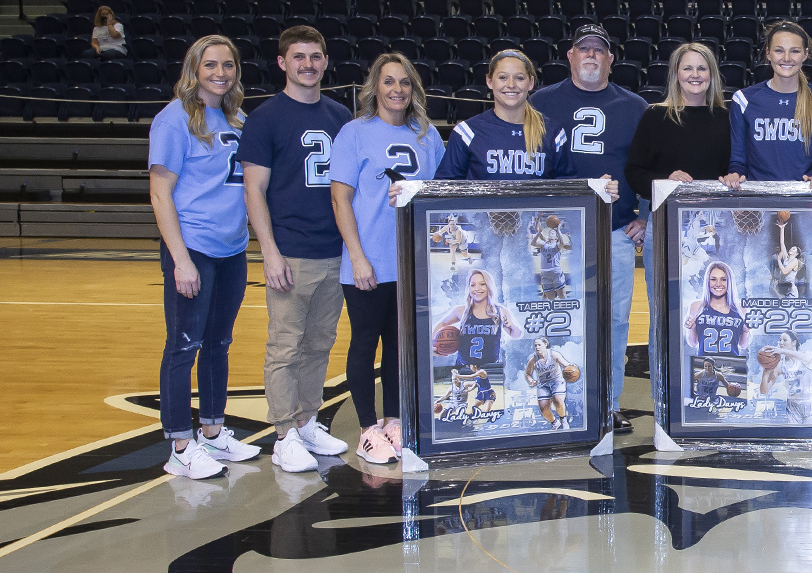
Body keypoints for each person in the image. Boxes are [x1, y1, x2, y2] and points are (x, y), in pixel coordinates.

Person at [238, 26, 354, 474]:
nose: (308, 64)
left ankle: (307, 419)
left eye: (316, 56)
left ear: (326, 62)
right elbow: (254, 191)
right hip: (291, 251)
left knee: (320, 343)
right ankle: (283, 432)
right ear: (283, 62)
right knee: (285, 346)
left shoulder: (340, 115)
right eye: (299, 56)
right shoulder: (265, 118)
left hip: (335, 251)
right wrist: (269, 252)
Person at [147, 35, 260, 479]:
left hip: (232, 249)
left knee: (219, 344)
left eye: (227, 65)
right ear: (194, 69)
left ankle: (213, 432)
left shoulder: (237, 118)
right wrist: (181, 259)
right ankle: (179, 444)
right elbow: (159, 193)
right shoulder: (174, 120)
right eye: (210, 65)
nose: (220, 73)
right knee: (183, 346)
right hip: (193, 246)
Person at [531, 24, 649, 429]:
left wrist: (645, 214)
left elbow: (649, 165)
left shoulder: (635, 106)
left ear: (611, 59)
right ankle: (550, 401)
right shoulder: (539, 102)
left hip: (614, 232)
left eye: (600, 50)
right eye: (585, 49)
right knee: (555, 319)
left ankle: (608, 403)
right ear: (570, 55)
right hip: (555, 241)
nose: (592, 56)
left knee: (614, 321)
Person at [329, 54, 444, 465]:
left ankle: (393, 421)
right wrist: (358, 257)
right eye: (389, 81)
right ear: (375, 87)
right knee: (364, 343)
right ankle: (366, 428)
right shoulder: (354, 133)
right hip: (369, 260)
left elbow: (440, 195)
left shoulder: (428, 135)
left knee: (400, 346)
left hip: (411, 263)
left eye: (405, 83)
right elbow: (340, 198)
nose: (397, 90)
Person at [625, 42, 733, 351]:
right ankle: (665, 394)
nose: (695, 75)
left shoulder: (727, 119)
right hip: (666, 234)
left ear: (712, 75)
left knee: (713, 311)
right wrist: (664, 181)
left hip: (716, 234)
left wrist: (731, 177)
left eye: (702, 68)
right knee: (665, 314)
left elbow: (738, 169)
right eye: (687, 68)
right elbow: (634, 171)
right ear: (676, 74)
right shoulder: (655, 117)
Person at [724, 21, 812, 187]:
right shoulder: (744, 100)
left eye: (794, 51)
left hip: (806, 203)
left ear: (805, 54)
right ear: (768, 53)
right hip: (760, 202)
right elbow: (738, 162)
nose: (786, 58)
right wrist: (735, 175)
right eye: (779, 50)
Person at [435, 50, 573, 181]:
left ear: (530, 83)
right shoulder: (467, 132)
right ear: (489, 81)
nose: (511, 84)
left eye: (519, 78)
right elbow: (444, 190)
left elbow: (568, 189)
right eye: (502, 77)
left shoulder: (552, 132)